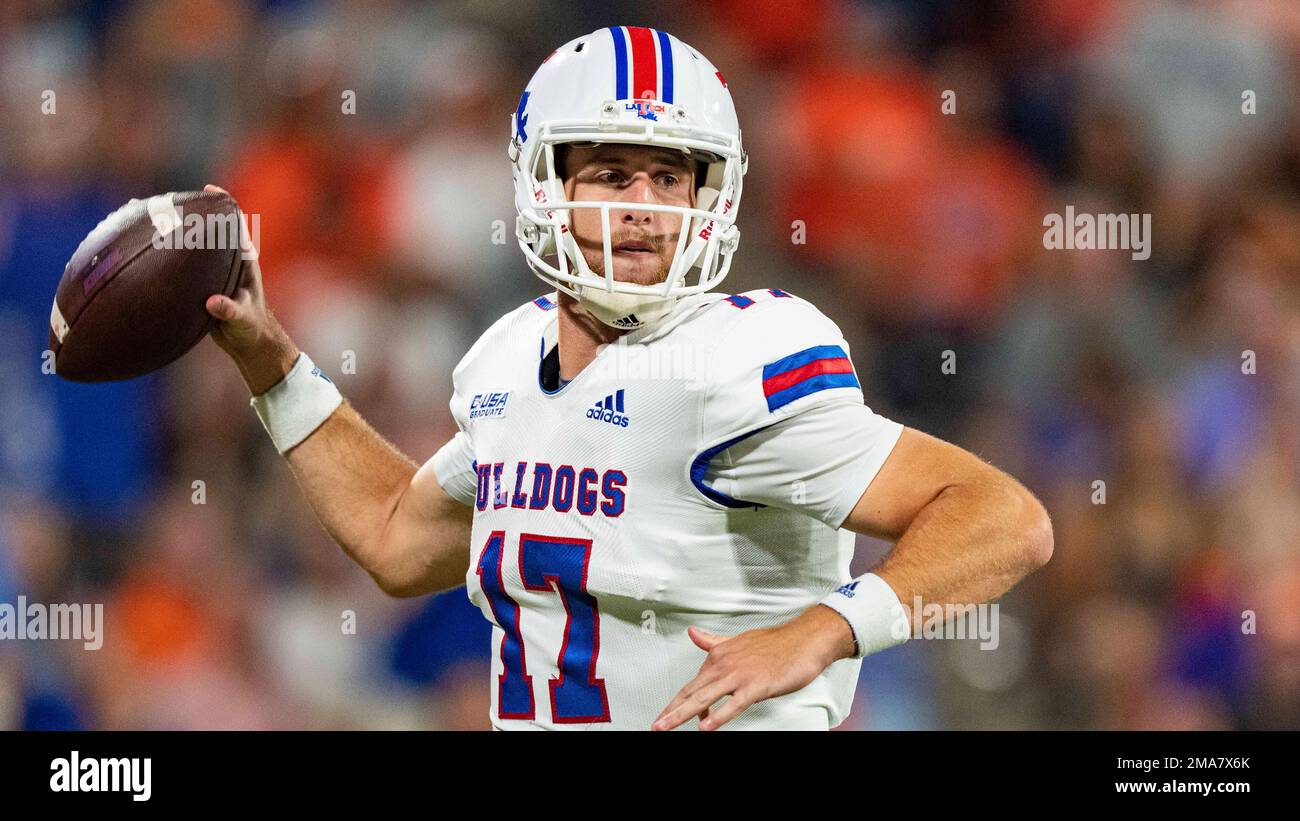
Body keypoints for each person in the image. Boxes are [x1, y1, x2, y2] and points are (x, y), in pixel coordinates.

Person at [203, 27, 1053, 730]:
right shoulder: (507, 361)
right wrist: (273, 366)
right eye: (611, 174)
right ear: (547, 188)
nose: (643, 204)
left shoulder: (733, 363)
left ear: (708, 198)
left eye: (671, 176)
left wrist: (829, 628)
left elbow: (1005, 520)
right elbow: (395, 536)